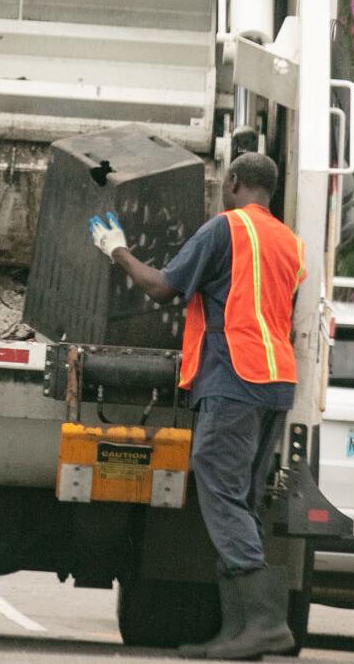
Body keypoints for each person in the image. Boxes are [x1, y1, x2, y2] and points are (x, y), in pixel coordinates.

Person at [89, 151, 304, 661]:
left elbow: (163, 287)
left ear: (232, 182)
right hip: (276, 381)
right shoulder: (290, 242)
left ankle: (264, 624)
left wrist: (116, 249)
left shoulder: (226, 229)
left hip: (234, 377)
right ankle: (238, 632)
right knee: (243, 499)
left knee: (219, 487)